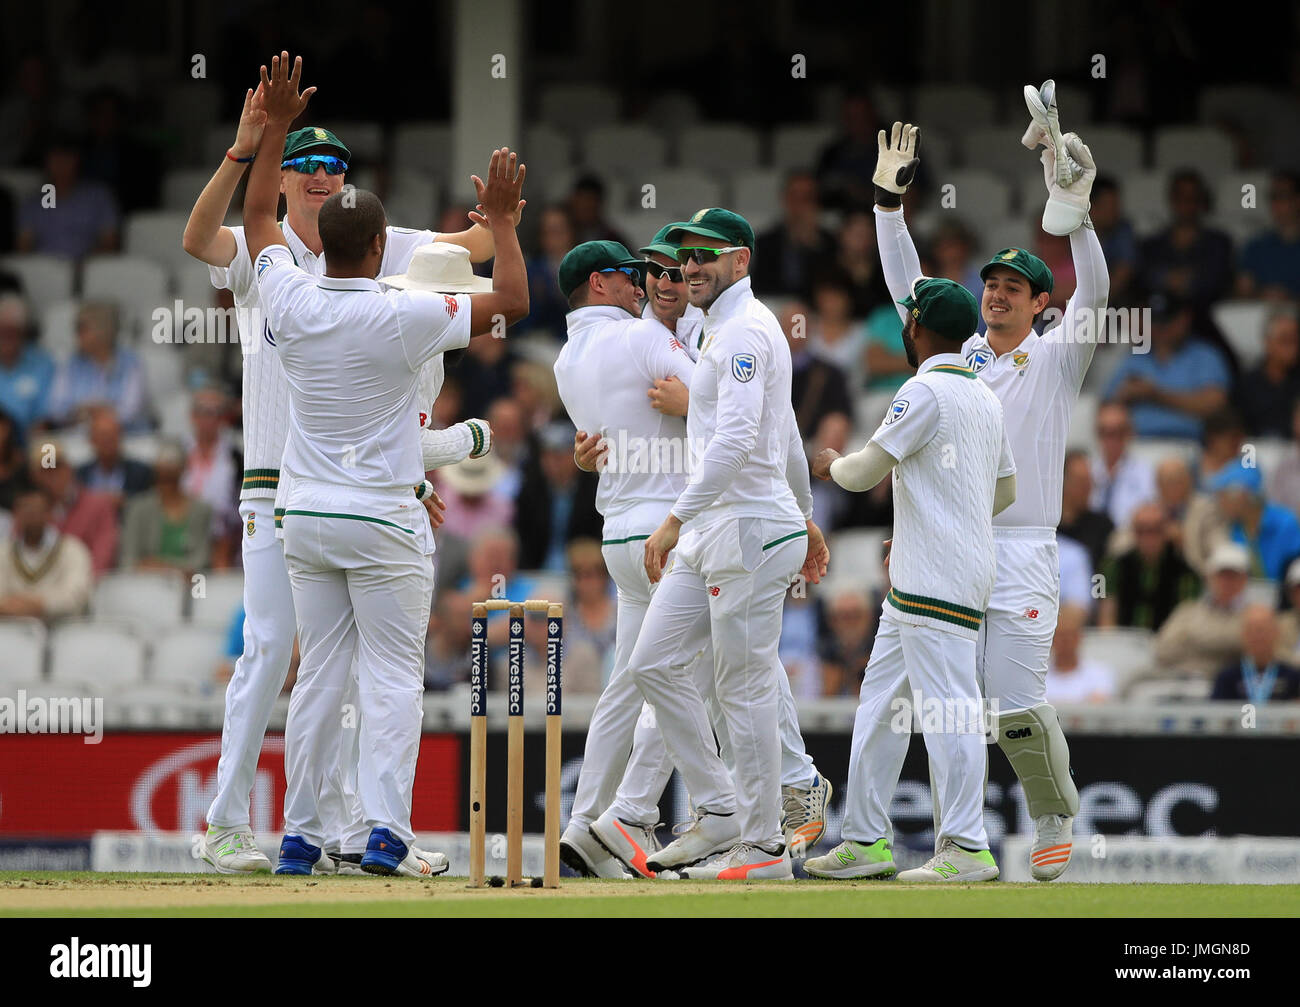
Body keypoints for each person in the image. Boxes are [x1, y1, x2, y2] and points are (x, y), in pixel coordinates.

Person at [183, 73, 507, 874]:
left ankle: (339, 831)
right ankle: (224, 822)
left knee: (338, 663)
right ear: (282, 176)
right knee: (273, 647)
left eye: (334, 164)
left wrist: (490, 226)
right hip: (273, 482)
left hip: (343, 492)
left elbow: (476, 254)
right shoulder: (270, 259)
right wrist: (242, 146)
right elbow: (199, 239)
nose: (323, 172)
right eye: (306, 162)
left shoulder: (381, 242)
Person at [867, 98, 1108, 882]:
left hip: (1027, 549)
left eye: (1016, 286)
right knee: (947, 704)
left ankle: (1050, 812)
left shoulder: (1058, 355)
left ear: (1042, 302)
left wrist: (1077, 215)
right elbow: (910, 293)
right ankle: (955, 847)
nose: (999, 294)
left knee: (1010, 708)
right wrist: (888, 209)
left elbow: (1098, 298)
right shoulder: (959, 357)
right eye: (992, 284)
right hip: (954, 545)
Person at [556, 233, 831, 879]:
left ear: (738, 261)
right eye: (660, 269)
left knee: (726, 678)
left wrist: (798, 516)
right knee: (660, 670)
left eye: (692, 262)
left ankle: (744, 828)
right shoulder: (701, 333)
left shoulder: (718, 333)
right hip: (695, 524)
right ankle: (713, 808)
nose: (674, 276)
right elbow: (775, 430)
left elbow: (753, 434)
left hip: (705, 521)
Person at [805, 276, 1016, 882]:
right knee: (880, 704)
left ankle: (968, 849)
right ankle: (867, 841)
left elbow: (862, 472)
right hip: (934, 572)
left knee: (949, 709)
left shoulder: (924, 390)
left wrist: (828, 462)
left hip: (936, 576)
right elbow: (1006, 490)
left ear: (917, 329)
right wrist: (945, 519)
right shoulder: (984, 395)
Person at [1103, 294, 1231, 441]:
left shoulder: (1205, 356)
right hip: (1136, 444)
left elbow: (1216, 406)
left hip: (1188, 444)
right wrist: (1123, 396)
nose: (1160, 327)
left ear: (1185, 318)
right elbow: (1106, 408)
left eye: (1167, 321)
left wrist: (1156, 394)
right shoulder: (1135, 358)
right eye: (1154, 320)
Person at [43, 301, 151, 432]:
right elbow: (55, 410)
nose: (76, 335)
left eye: (82, 329)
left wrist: (90, 411)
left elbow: (130, 412)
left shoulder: (132, 364)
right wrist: (98, 410)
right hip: (79, 439)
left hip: (124, 440)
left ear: (103, 330)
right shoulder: (70, 364)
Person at [1153, 542, 1251, 680]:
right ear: (1209, 578)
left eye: (1233, 576)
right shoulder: (1186, 610)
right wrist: (1222, 645)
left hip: (1224, 686)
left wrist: (1192, 637)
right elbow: (1163, 651)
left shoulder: (1254, 615)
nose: (1227, 582)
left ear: (1244, 580)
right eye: (1221, 575)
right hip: (1177, 679)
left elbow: (1251, 653)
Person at [1097, 501, 1200, 630]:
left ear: (1166, 531)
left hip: (1168, 643)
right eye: (1141, 530)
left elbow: (1186, 619)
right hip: (1122, 642)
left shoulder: (1185, 571)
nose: (1148, 537)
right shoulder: (1113, 566)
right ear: (1133, 532)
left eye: (1155, 530)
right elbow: (1106, 615)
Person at [118, 440, 211, 576]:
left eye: (171, 476)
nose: (166, 482)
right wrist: (175, 569)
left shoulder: (201, 510)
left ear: (182, 471)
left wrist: (162, 567)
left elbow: (202, 561)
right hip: (144, 586)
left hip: (191, 587)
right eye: (162, 475)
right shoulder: (138, 509)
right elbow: (128, 559)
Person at [0, 487, 93, 621]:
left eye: (37, 510)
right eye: (25, 509)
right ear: (16, 514)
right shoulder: (3, 551)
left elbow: (75, 596)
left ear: (49, 513)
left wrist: (39, 605)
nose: (31, 515)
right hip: (12, 631)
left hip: (60, 631)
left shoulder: (72, 549)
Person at [1207, 461, 1300, 582]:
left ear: (1242, 496)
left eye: (1222, 496)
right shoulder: (1232, 528)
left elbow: (1294, 569)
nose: (1220, 503)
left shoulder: (1285, 523)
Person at [751, 171, 836, 302]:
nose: (800, 205)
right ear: (784, 199)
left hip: (815, 313)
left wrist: (813, 245)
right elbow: (759, 288)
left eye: (806, 198)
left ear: (817, 203)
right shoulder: (765, 242)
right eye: (794, 197)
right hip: (774, 309)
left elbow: (833, 290)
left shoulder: (829, 243)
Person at [1210, 604, 1300, 702]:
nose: (1258, 636)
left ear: (1277, 632)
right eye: (1252, 630)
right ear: (1242, 634)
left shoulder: (1293, 678)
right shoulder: (1227, 678)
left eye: (1263, 630)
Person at [1234, 308, 1300, 439]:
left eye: (1296, 341)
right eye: (1285, 341)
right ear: (1267, 342)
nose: (1293, 348)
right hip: (1254, 451)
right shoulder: (1247, 384)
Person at [1089, 402, 1155, 530]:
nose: (1111, 440)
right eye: (1105, 432)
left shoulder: (1146, 475)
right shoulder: (1087, 472)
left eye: (1117, 432)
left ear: (1129, 433)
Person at [1235, 171, 1300, 301]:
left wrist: (1290, 298)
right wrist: (1262, 295)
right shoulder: (1255, 246)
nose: (1275, 204)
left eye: (1282, 196)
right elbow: (1243, 291)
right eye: (1272, 197)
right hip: (1262, 315)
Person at [0, 294, 54, 431]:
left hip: (29, 441)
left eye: (12, 331)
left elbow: (46, 414)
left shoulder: (43, 363)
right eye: (2, 330)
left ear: (23, 332)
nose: (6, 338)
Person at [1046, 604, 1117, 704]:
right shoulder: (1037, 677)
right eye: (1060, 636)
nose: (1066, 641)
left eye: (1070, 635)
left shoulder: (1100, 673)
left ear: (1080, 637)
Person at [1059, 448, 1113, 571]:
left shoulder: (1103, 527)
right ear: (1063, 483)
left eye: (1090, 482)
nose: (1088, 489)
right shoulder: (1050, 527)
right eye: (1081, 482)